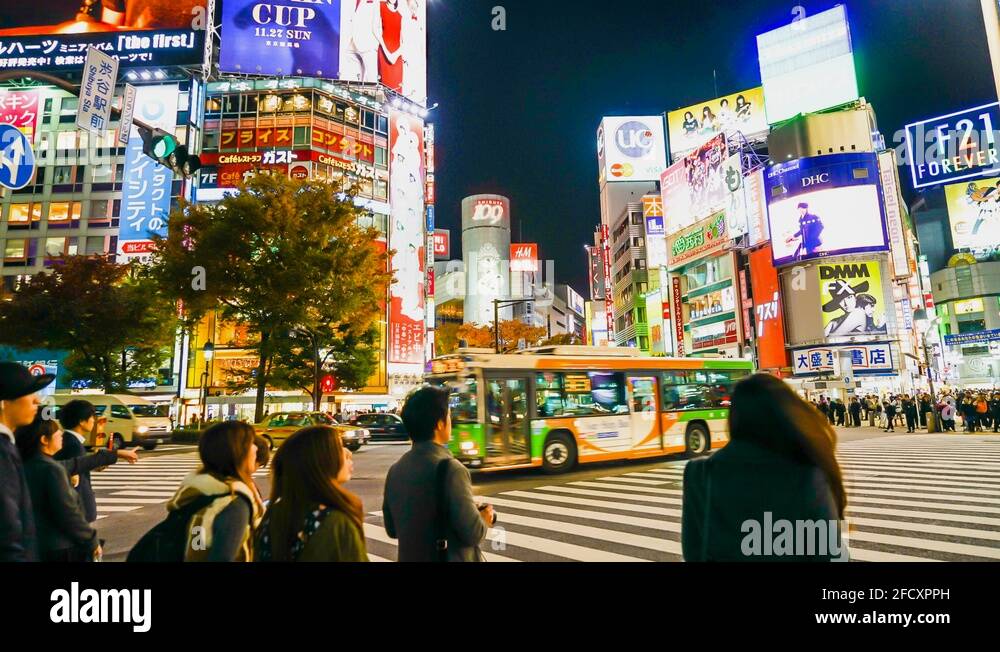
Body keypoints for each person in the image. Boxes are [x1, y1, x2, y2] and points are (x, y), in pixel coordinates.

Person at [681, 374, 846, 561]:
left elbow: (693, 553)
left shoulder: (699, 474)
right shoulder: (807, 475)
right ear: (784, 415)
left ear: (734, 417)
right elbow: (831, 555)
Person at [382, 386, 493, 562]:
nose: (451, 421)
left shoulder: (395, 470)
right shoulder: (452, 470)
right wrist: (484, 518)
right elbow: (474, 533)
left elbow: (392, 529)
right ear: (440, 424)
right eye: (448, 416)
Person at [255, 426, 368, 562]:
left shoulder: (274, 513)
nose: (348, 453)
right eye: (339, 447)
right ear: (320, 462)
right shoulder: (334, 522)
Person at [164, 422, 264, 562]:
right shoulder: (233, 502)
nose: (256, 448)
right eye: (251, 442)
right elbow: (223, 557)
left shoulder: (196, 492)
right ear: (237, 451)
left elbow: (197, 544)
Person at [15, 415, 101, 562]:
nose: (61, 434)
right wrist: (91, 541)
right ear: (44, 440)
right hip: (60, 546)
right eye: (57, 432)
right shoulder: (51, 469)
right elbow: (68, 513)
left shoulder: (24, 464)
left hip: (35, 544)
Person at [0, 362, 55, 561]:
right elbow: (7, 530)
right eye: (29, 393)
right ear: (4, 403)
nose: (37, 400)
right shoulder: (2, 452)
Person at [55, 399, 139, 523]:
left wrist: (95, 465)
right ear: (81, 421)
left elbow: (77, 467)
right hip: (78, 513)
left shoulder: (69, 440)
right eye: (92, 417)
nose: (94, 421)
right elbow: (75, 475)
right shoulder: (73, 445)